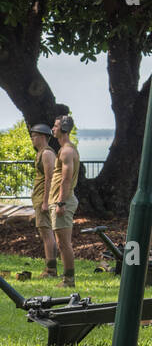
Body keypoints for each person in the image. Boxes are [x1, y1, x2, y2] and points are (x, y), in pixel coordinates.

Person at [48, 115, 80, 288]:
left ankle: (69, 280)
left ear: (64, 129)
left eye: (55, 126)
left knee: (64, 243)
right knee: (61, 242)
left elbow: (66, 179)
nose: (53, 128)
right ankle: (67, 278)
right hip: (60, 200)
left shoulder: (67, 151)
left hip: (64, 201)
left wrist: (60, 203)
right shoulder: (64, 149)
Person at [28, 124, 57, 280]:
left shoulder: (47, 154)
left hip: (43, 199)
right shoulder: (40, 153)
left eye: (34, 136)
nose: (32, 138)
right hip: (39, 197)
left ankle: (51, 270)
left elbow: (50, 178)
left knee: (47, 233)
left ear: (43, 137)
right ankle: (49, 268)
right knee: (45, 233)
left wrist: (46, 201)